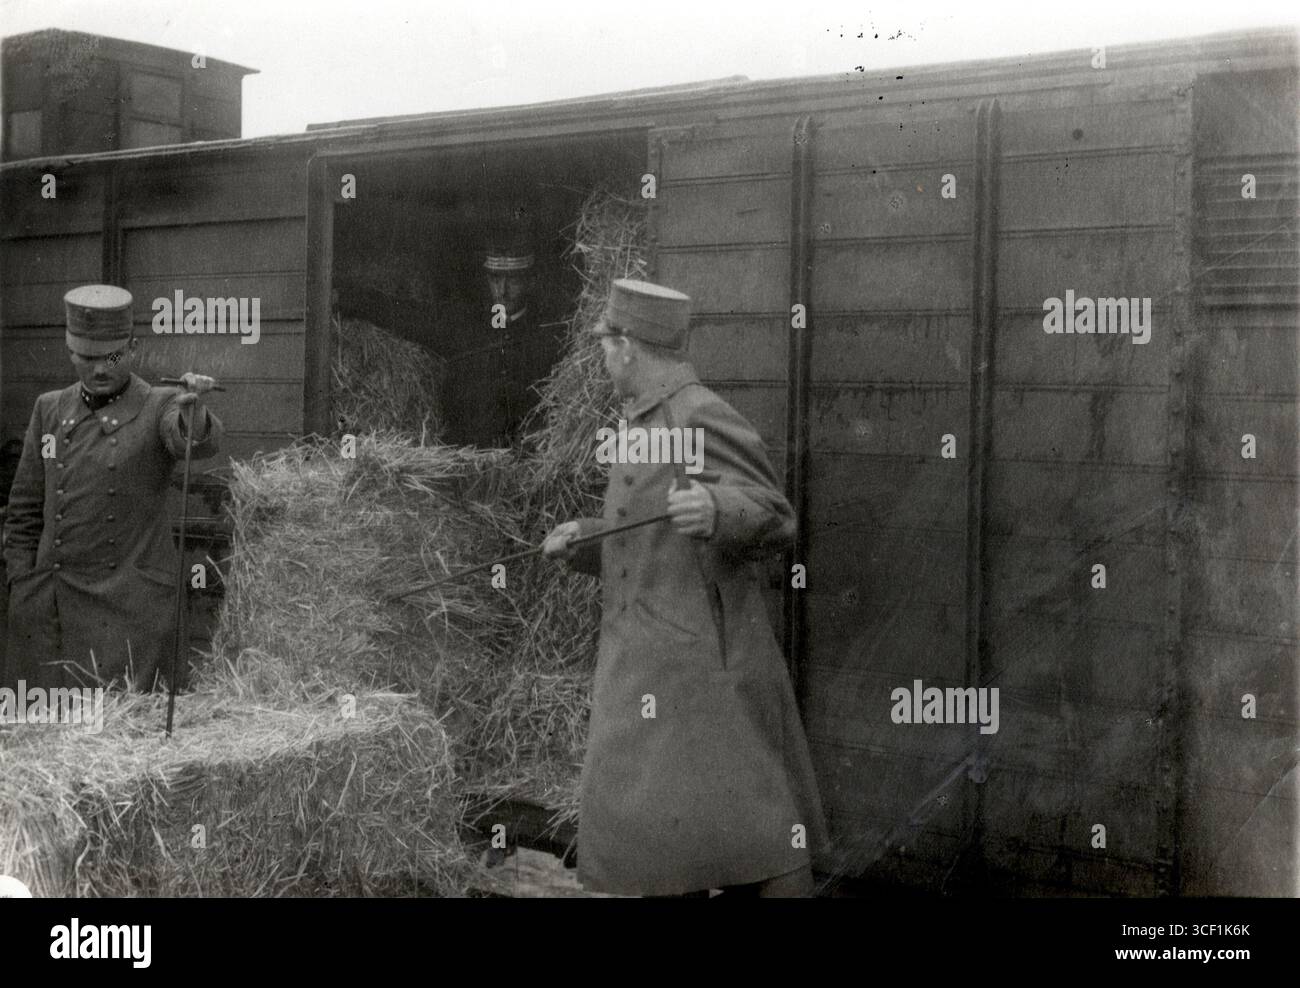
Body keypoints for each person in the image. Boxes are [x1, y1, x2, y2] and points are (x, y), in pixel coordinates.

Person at [542, 278, 828, 897]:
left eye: (605, 345)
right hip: (647, 661)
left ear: (629, 345)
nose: (602, 358)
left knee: (742, 832)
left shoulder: (697, 412)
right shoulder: (640, 418)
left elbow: (777, 516)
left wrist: (720, 510)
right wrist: (586, 539)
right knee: (667, 843)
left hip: (698, 668)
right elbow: (649, 532)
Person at [1, 284, 222, 692]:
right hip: (55, 614)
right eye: (86, 357)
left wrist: (196, 411)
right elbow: (24, 510)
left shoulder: (160, 404)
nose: (99, 369)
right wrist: (23, 583)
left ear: (133, 348)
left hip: (130, 615)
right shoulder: (49, 410)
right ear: (69, 351)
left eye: (112, 356)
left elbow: (188, 441)